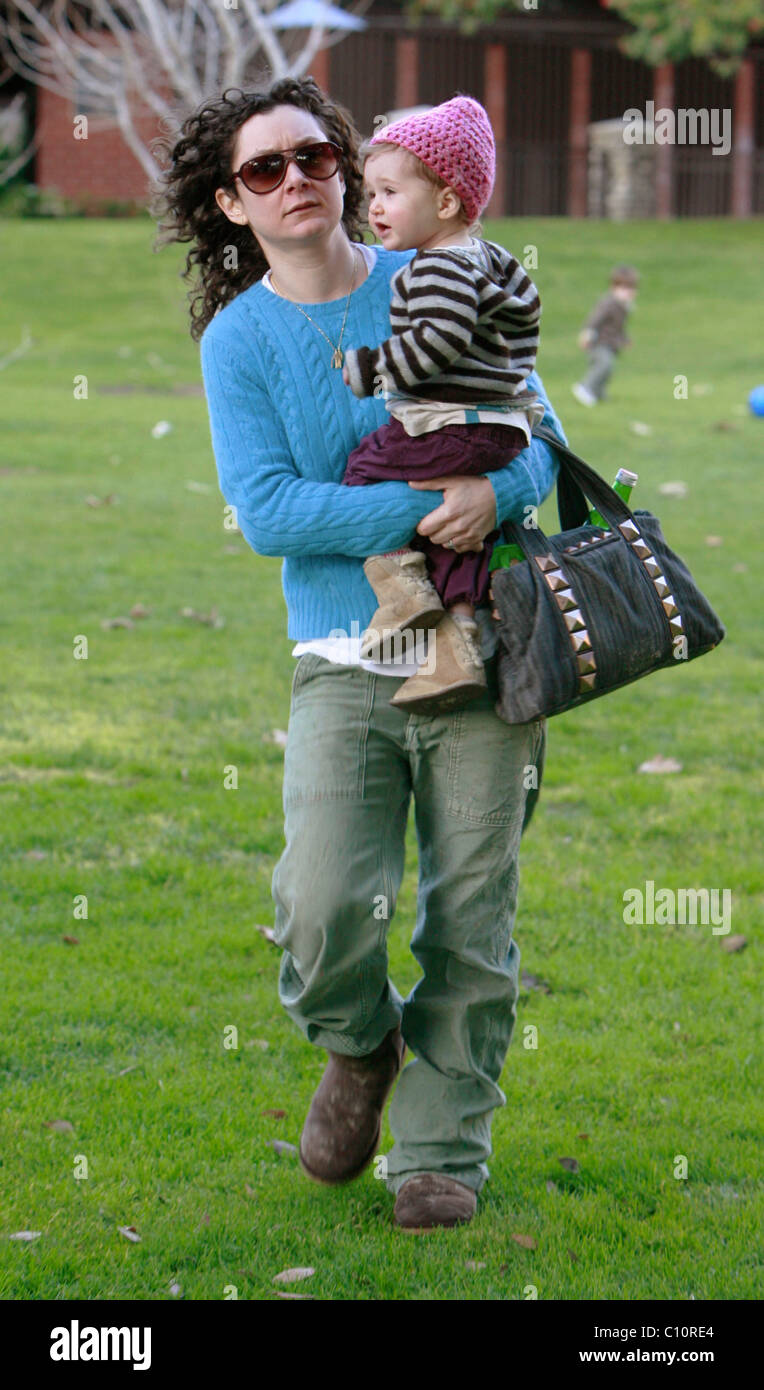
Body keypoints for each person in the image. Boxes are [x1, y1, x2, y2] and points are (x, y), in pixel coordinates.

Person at [153, 76, 568, 1231]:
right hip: (342, 652)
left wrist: (493, 486)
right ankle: (359, 1043)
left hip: (484, 643)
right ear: (230, 205)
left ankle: (440, 1150)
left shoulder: (438, 268)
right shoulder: (237, 343)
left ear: (346, 165)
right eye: (262, 170)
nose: (297, 180)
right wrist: (425, 507)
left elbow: (542, 443)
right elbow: (272, 514)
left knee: (469, 909)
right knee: (324, 901)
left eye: (314, 156)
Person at [338, 96, 544, 715]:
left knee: (364, 465)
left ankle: (404, 596)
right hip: (499, 429)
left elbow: (438, 339)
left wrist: (370, 368)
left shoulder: (436, 268)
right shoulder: (493, 260)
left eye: (389, 192)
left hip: (453, 422)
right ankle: (458, 640)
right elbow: (520, 328)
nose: (373, 207)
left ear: (447, 202)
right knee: (455, 530)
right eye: (370, 193)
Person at [572, 264, 639, 407]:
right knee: (603, 365)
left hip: (611, 344)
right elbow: (594, 320)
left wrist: (625, 339)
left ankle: (598, 392)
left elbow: (619, 327)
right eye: (623, 288)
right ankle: (585, 387)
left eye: (631, 289)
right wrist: (587, 334)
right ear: (614, 287)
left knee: (609, 369)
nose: (628, 293)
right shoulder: (608, 303)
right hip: (599, 342)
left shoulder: (624, 306)